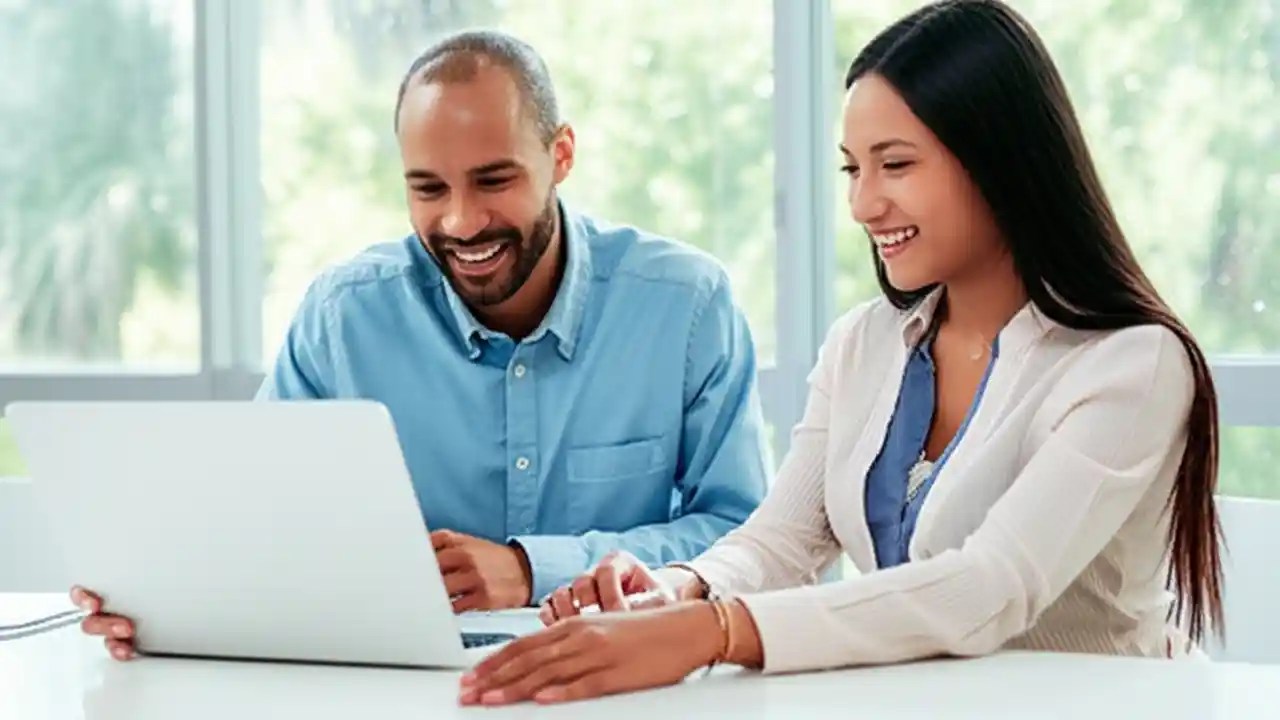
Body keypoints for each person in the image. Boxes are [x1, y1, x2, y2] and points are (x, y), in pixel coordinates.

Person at [457, 0, 1226, 707]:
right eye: (853, 169)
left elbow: (990, 587)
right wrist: (681, 588)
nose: (862, 204)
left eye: (896, 164)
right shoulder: (865, 344)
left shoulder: (1132, 365)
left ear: (1000, 159)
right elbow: (783, 539)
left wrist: (714, 631)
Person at [69, 30, 770, 661]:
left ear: (560, 155)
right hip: (396, 689)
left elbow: (749, 537)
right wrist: (162, 603)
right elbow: (256, 522)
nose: (461, 222)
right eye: (429, 189)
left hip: (628, 686)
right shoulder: (343, 318)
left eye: (494, 180)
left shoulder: (685, 306)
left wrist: (531, 568)